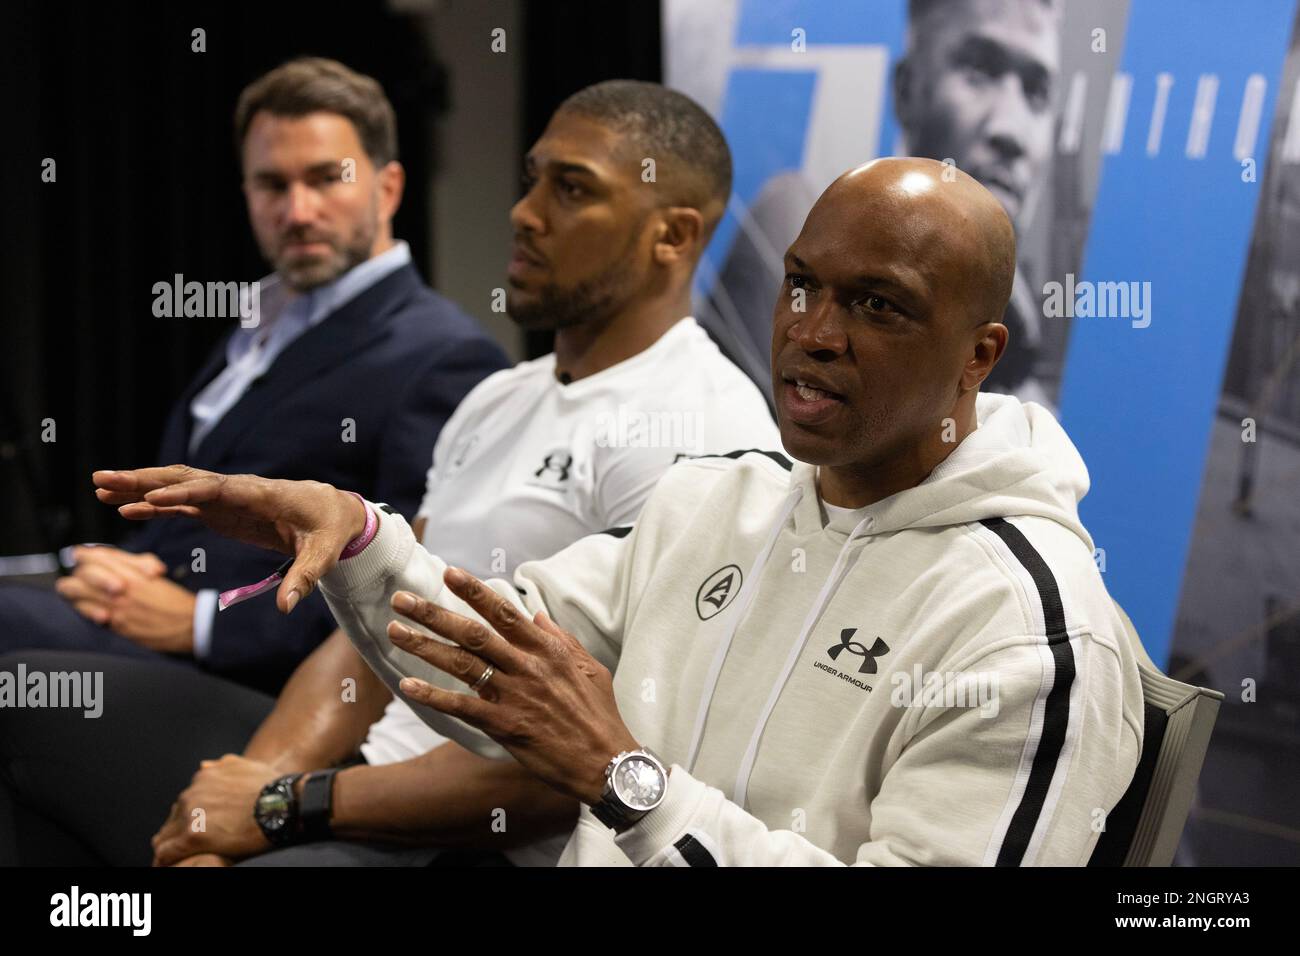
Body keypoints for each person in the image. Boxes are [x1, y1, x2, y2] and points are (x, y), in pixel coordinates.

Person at [90, 157, 1144, 866]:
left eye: (877, 304)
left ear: (978, 356)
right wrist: (356, 535)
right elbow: (485, 666)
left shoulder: (1031, 631)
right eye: (800, 285)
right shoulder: (721, 498)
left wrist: (624, 781)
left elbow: (601, 773)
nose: (814, 331)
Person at [0, 81, 778, 867]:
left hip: (491, 833)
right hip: (361, 775)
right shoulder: (496, 399)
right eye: (531, 179)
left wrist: (280, 808)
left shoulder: (705, 432)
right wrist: (247, 792)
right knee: (24, 698)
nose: (524, 211)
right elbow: (370, 633)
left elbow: (590, 764)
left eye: (571, 189)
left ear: (672, 235)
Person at [0, 58, 507, 692]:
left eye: (327, 179)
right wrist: (126, 570)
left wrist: (204, 624)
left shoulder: (443, 355)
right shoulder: (261, 321)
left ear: (389, 188)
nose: (297, 211)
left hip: (263, 684)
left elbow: (417, 577)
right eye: (272, 184)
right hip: (145, 633)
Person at [706, 0, 1060, 407]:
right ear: (908, 90)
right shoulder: (802, 227)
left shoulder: (1028, 334)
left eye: (1036, 92)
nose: (1010, 130)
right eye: (979, 71)